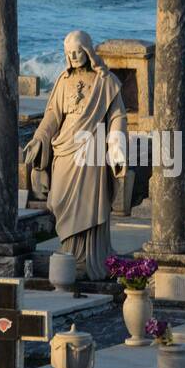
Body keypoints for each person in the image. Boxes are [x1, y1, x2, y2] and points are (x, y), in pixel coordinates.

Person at [22, 31, 127, 280]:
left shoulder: (106, 82)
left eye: (78, 51)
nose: (74, 56)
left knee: (89, 207)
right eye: (69, 53)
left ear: (89, 51)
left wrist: (116, 145)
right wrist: (39, 138)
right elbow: (52, 116)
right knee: (58, 199)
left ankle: (89, 260)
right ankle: (69, 252)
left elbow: (117, 117)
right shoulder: (63, 81)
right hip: (65, 151)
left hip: (91, 153)